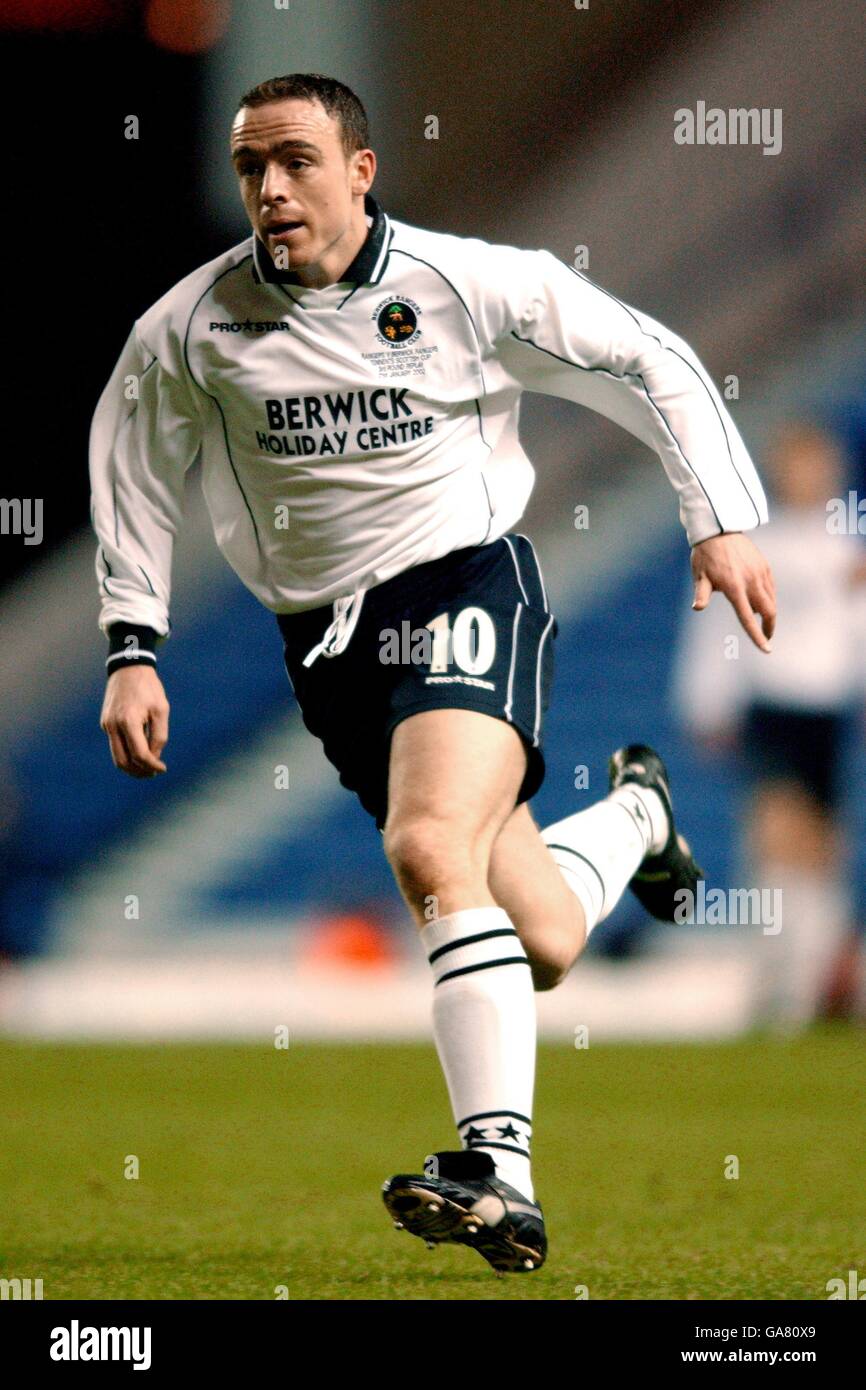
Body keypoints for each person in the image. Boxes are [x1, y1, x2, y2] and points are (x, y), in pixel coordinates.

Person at [90, 73, 776, 1274]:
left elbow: (647, 356)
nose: (269, 188)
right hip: (327, 646)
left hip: (463, 588)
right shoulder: (191, 325)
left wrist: (715, 517)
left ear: (361, 171)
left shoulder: (468, 283)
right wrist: (131, 647)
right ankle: (636, 813)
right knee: (547, 937)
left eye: (297, 160)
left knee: (423, 844)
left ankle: (497, 1172)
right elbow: (134, 472)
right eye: (252, 165)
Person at [676, 420, 866, 1029]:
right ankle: (778, 984)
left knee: (821, 855)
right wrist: (708, 702)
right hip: (773, 705)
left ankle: (818, 984)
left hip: (828, 710)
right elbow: (716, 623)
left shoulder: (848, 548)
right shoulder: (755, 542)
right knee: (776, 842)